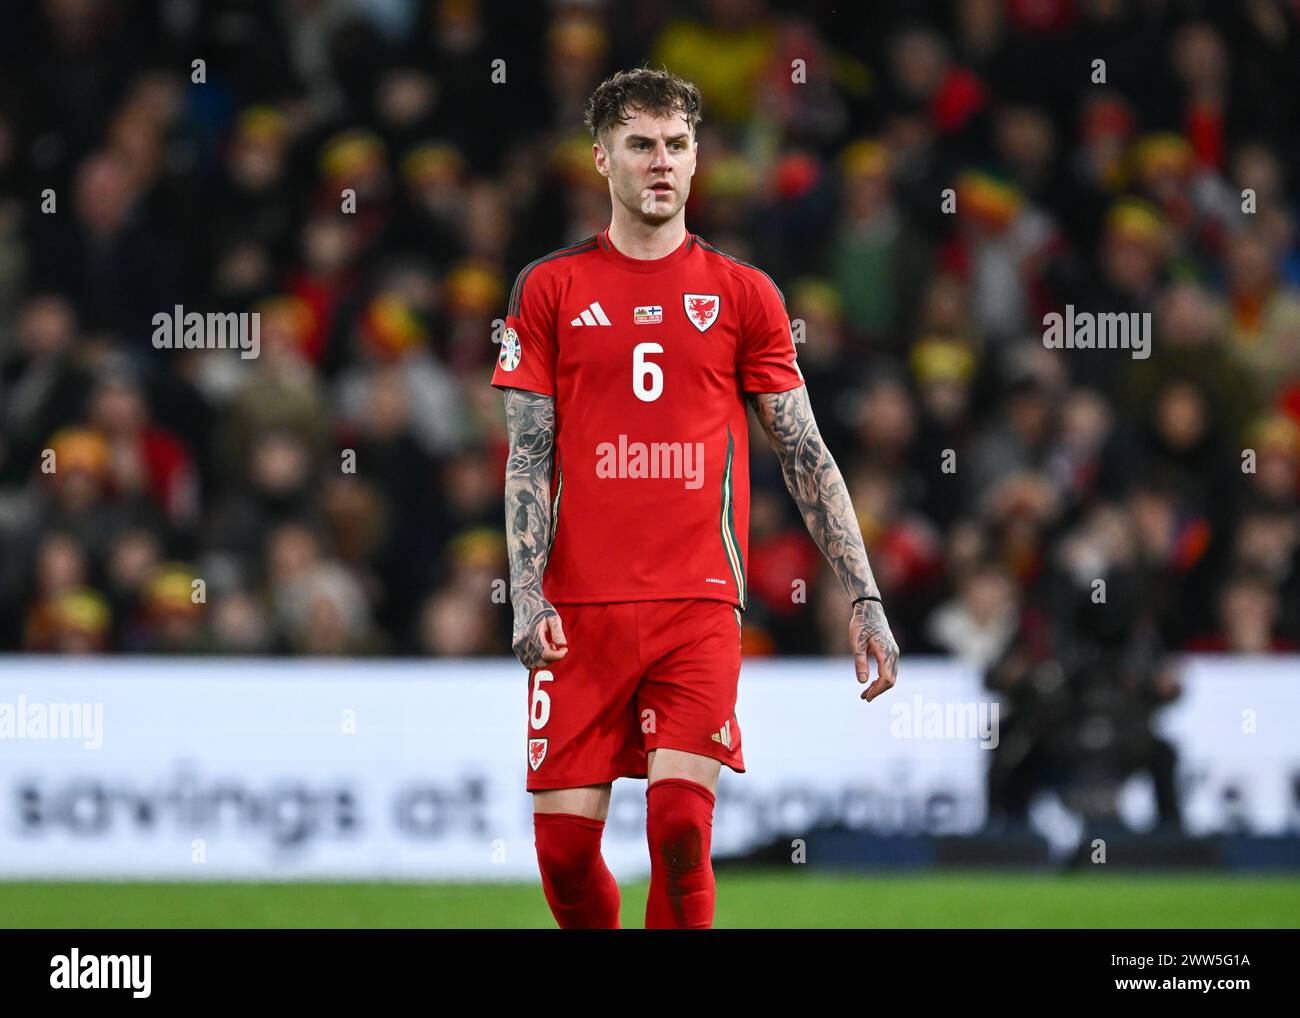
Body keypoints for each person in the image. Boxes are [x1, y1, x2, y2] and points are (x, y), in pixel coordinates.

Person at [492, 68, 900, 930]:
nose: (661, 163)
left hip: (696, 603)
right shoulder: (548, 289)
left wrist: (862, 593)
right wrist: (526, 594)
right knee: (564, 860)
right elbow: (527, 459)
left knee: (680, 827)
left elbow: (805, 453)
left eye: (677, 144)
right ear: (601, 158)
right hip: (577, 609)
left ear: (697, 155)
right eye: (640, 145)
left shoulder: (745, 295)